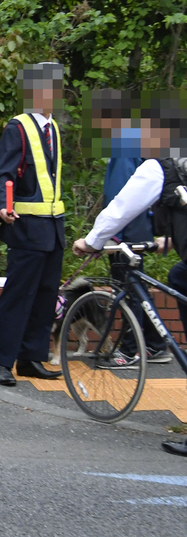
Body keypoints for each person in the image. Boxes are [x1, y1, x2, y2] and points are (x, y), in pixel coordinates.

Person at [73, 93, 187, 456]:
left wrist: (92, 241)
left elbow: (121, 204)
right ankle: (156, 345)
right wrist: (167, 238)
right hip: (162, 243)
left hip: (126, 234)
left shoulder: (157, 165)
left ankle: (140, 348)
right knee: (178, 275)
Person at [0, 62, 67, 387]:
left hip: (53, 228)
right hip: (26, 226)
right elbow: (2, 173)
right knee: (18, 295)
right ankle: (3, 363)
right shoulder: (17, 127)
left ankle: (32, 358)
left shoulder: (55, 129)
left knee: (46, 296)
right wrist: (1, 206)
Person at [87, 90, 168, 367]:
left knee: (128, 291)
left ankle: (130, 350)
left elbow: (121, 196)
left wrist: (109, 235)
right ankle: (157, 345)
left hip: (127, 233)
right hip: (135, 229)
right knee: (138, 290)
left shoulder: (122, 146)